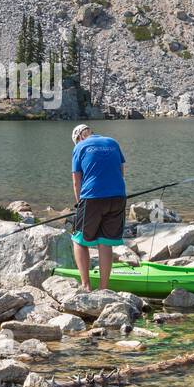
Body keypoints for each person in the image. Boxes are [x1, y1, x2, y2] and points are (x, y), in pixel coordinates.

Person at [70, 124, 126, 291]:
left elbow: (76, 181)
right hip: (118, 197)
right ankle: (103, 289)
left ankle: (86, 286)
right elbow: (121, 171)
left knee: (79, 240)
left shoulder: (80, 147)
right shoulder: (113, 142)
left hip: (92, 198)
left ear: (79, 137)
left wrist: (79, 203)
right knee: (105, 242)